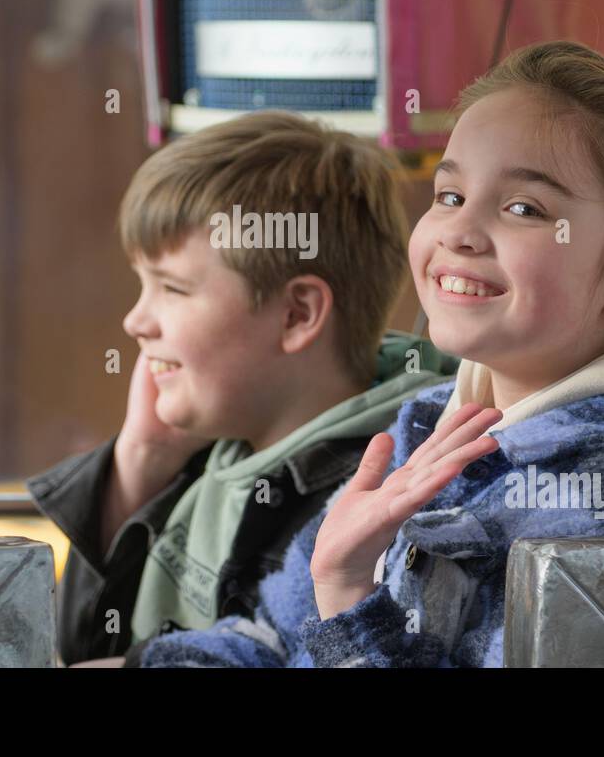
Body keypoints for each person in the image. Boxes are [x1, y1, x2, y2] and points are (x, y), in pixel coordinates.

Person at [139, 40, 604, 667]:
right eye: (450, 196)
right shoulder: (431, 424)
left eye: (523, 208)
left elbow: (327, 611)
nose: (458, 231)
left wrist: (347, 591)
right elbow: (273, 636)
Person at [27, 110, 459, 665]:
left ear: (297, 315)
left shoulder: (370, 501)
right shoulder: (216, 445)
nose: (136, 321)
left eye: (173, 289)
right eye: (143, 285)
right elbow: (79, 649)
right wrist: (140, 462)